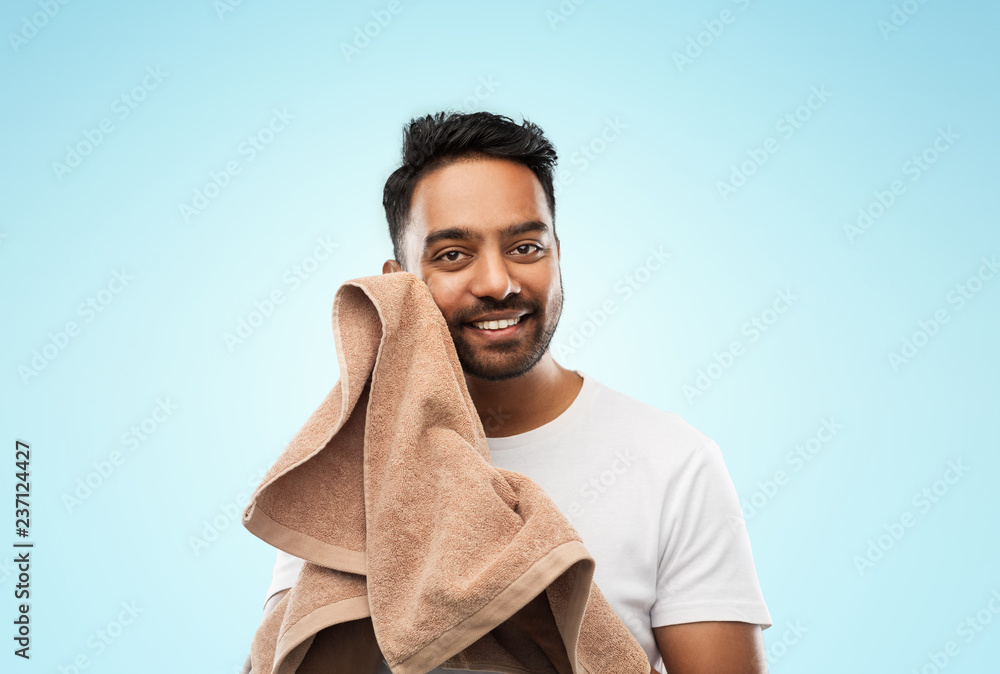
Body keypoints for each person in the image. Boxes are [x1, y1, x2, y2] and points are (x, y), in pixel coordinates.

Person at [242, 111, 772, 674]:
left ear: (558, 257)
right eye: (453, 255)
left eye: (525, 247)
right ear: (398, 284)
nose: (498, 282)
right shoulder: (353, 461)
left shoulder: (675, 464)